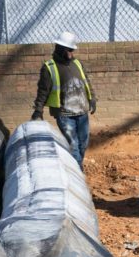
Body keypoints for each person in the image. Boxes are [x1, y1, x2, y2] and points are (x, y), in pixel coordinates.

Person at [31, 30, 96, 166]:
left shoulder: (77, 63)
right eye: (68, 50)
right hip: (64, 114)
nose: (71, 54)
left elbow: (86, 82)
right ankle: (78, 172)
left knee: (83, 144)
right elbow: (43, 91)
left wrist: (92, 98)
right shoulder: (49, 67)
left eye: (72, 50)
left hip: (82, 111)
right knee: (73, 146)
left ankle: (77, 167)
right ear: (59, 49)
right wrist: (38, 110)